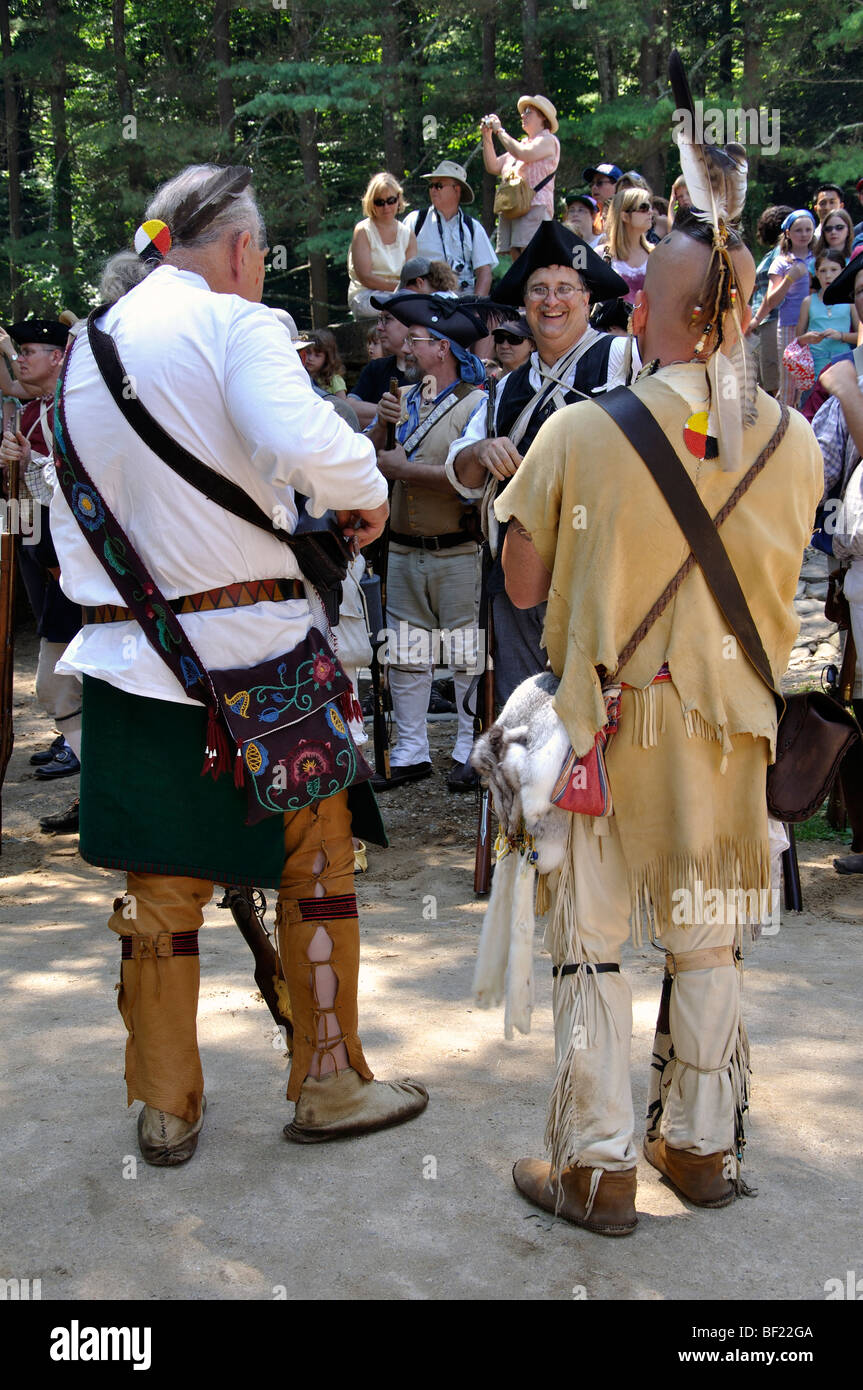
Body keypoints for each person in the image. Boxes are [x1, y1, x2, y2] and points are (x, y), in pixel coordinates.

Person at [49, 163, 428, 1164]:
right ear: (239, 249)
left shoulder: (88, 347)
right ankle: (329, 1081)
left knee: (161, 892)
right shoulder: (235, 323)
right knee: (317, 864)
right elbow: (300, 438)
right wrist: (366, 491)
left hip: (130, 662)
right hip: (259, 662)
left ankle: (166, 1104)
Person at [492, 210, 823, 1235]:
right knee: (707, 945)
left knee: (590, 945)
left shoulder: (583, 430)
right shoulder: (796, 440)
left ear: (653, 313)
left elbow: (520, 579)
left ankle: (596, 1168)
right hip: (729, 731)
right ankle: (700, 1144)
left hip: (609, 718)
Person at [445, 220, 634, 705]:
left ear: (587, 297)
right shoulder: (503, 389)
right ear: (524, 304)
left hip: (608, 571)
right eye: (539, 290)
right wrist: (479, 451)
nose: (552, 301)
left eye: (564, 288)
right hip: (519, 578)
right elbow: (463, 476)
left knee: (607, 708)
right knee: (525, 710)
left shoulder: (626, 359)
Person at [366, 293, 487, 792]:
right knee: (407, 654)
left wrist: (402, 469)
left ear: (443, 348)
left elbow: (471, 479)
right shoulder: (405, 398)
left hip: (458, 549)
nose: (408, 345)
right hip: (403, 547)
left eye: (417, 338)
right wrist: (380, 424)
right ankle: (411, 750)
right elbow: (370, 456)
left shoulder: (479, 403)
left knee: (465, 654)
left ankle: (467, 750)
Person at [0, 319, 83, 806]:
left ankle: (98, 794)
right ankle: (95, 790)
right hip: (44, 550)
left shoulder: (82, 409)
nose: (21, 360)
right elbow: (36, 499)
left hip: (98, 574)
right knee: (55, 687)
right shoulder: (33, 412)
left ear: (58, 357)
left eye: (29, 350)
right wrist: (22, 463)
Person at [750, 209, 816, 406]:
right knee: (787, 382)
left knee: (811, 380)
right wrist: (790, 278)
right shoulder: (780, 262)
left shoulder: (819, 259)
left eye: (808, 230)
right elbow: (771, 300)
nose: (804, 234)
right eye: (798, 230)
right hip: (788, 325)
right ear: (787, 233)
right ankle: (786, 426)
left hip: (815, 324)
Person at [482, 96, 560, 262]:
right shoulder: (522, 144)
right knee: (517, 260)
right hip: (514, 208)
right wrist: (487, 137)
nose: (522, 116)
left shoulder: (548, 141)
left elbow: (523, 154)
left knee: (532, 261)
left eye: (528, 112)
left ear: (543, 117)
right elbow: (493, 166)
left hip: (535, 208)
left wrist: (499, 131)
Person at [402, 161, 497, 296]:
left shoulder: (473, 228)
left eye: (438, 186)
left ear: (457, 190)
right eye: (431, 185)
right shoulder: (415, 221)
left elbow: (484, 273)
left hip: (462, 306)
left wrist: (475, 309)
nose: (433, 190)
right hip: (424, 305)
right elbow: (402, 266)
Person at [347, 172, 417, 320]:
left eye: (391, 200)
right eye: (379, 202)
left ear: (399, 200)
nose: (386, 207)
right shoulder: (363, 231)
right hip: (367, 295)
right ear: (371, 203)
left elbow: (412, 277)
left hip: (400, 294)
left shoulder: (408, 234)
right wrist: (399, 288)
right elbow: (365, 277)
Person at [796, 249, 858, 394]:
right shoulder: (808, 302)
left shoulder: (850, 302)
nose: (828, 275)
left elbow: (860, 336)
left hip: (844, 370)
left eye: (834, 269)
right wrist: (807, 338)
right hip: (814, 373)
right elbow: (797, 342)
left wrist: (841, 336)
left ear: (843, 271)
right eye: (823, 271)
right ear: (816, 273)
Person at [747, 204, 792, 397]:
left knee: (773, 384)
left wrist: (755, 319)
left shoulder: (781, 254)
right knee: (765, 378)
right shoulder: (772, 253)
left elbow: (771, 291)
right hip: (764, 322)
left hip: (773, 319)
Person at [347, 300, 413, 429]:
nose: (379, 327)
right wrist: (393, 412)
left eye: (387, 319)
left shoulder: (428, 372)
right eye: (379, 320)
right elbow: (350, 408)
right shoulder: (375, 368)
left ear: (409, 323)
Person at [603, 186, 654, 304]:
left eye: (650, 206)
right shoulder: (602, 255)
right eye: (643, 207)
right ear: (624, 216)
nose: (650, 211)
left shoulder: (655, 254)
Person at [298, 329, 347, 397]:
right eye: (308, 353)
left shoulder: (334, 380)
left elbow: (342, 404)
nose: (310, 358)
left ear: (327, 358)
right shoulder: (301, 374)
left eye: (317, 355)